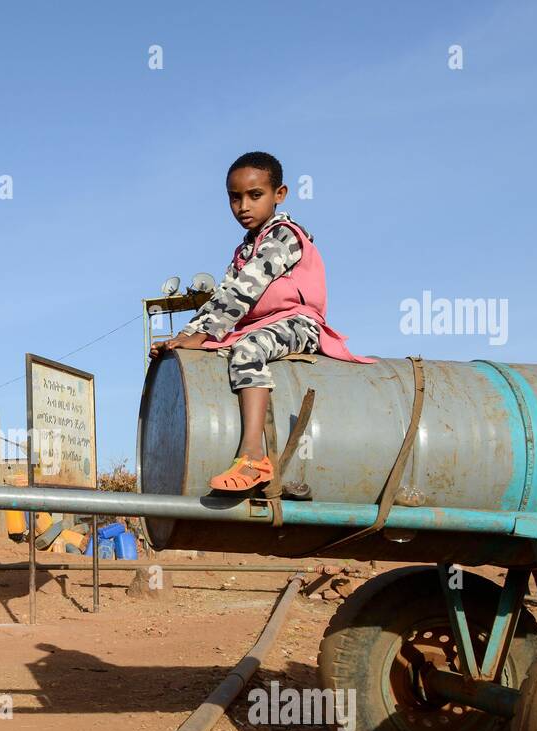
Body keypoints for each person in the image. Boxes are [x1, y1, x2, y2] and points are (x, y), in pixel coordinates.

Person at [149, 151, 374, 491]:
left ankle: (254, 455)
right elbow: (222, 297)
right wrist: (184, 337)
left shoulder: (285, 236)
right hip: (257, 325)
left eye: (255, 195)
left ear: (279, 195)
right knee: (221, 346)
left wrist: (206, 334)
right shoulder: (243, 250)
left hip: (299, 323)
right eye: (234, 197)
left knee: (248, 350)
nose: (243, 206)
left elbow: (247, 289)